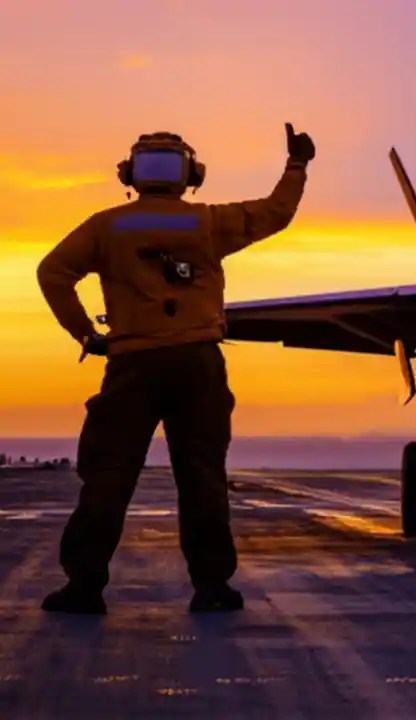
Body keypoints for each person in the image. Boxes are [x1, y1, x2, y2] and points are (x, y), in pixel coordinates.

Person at [36, 124, 315, 613]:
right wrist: (296, 166)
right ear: (192, 175)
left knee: (108, 477)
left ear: (129, 174)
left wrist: (85, 333)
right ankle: (212, 587)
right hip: (197, 364)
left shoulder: (106, 227)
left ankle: (83, 586)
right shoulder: (208, 223)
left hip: (131, 367)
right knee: (202, 475)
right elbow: (276, 212)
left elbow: (52, 272)